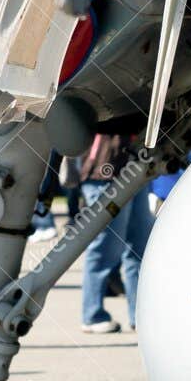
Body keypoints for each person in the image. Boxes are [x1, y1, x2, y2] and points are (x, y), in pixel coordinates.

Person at [79, 133, 152, 334]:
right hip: (105, 172)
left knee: (139, 249)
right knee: (105, 247)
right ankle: (92, 315)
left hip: (136, 170)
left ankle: (139, 316)